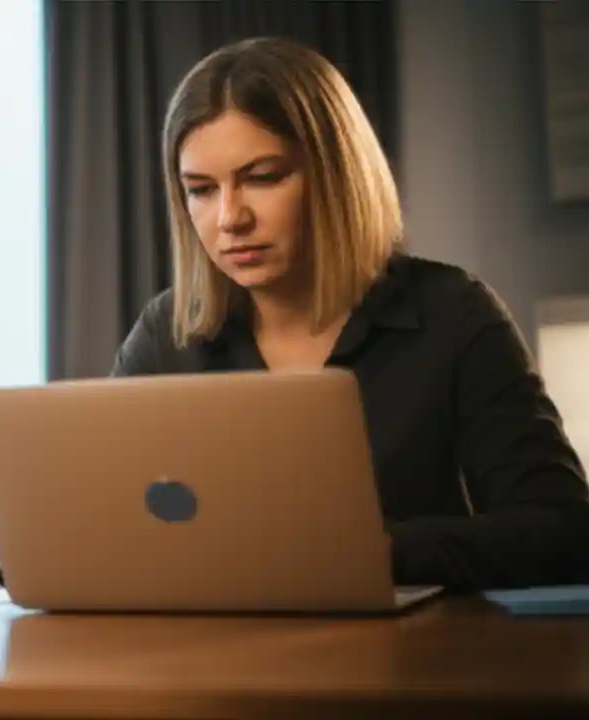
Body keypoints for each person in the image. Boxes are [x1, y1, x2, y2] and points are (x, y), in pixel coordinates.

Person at [112, 37, 589, 592]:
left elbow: (565, 532)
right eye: (200, 190)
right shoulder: (166, 334)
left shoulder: (452, 314)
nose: (229, 218)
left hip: (409, 665)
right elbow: (109, 519)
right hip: (216, 659)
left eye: (263, 177)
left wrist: (369, 551)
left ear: (336, 176)